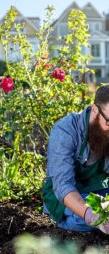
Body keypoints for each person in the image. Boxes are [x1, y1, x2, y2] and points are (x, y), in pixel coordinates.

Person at [43, 85, 109, 233]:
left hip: (98, 190)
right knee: (87, 219)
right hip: (66, 195)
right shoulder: (65, 131)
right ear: (94, 110)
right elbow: (63, 185)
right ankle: (66, 225)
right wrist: (90, 215)